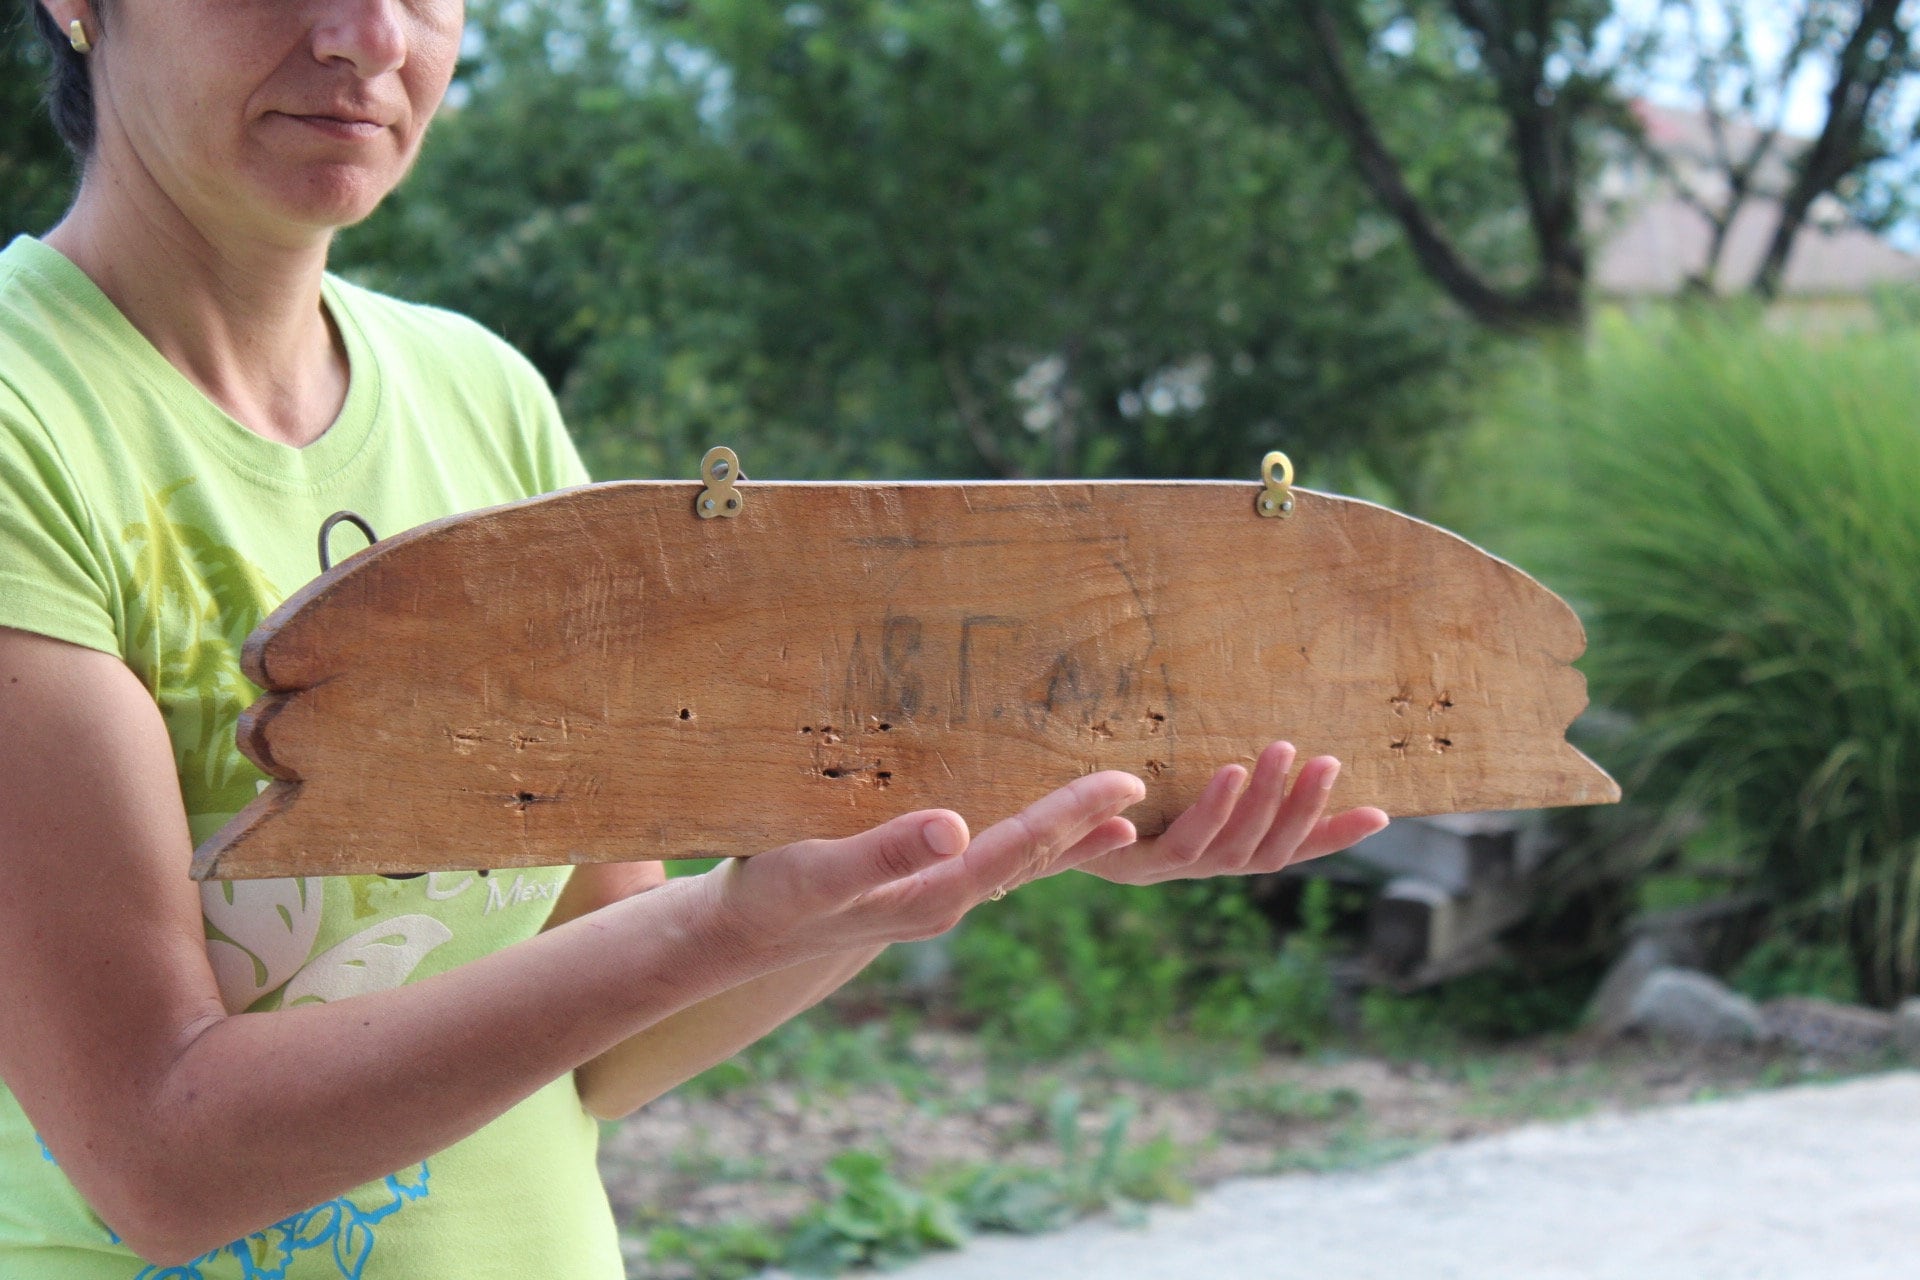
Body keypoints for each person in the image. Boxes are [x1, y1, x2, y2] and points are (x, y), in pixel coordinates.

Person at [0, 1, 1391, 1276]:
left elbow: (620, 1037)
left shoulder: (482, 400)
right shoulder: (29, 420)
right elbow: (158, 1158)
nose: (368, 35)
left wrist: (980, 840)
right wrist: (724, 918)